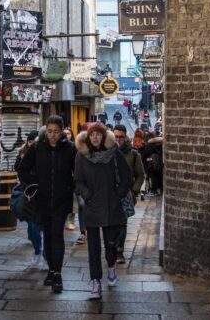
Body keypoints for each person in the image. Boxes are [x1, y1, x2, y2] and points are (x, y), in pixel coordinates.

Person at [16, 115, 76, 294]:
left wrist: (69, 186)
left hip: (61, 200)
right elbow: (22, 169)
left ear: (62, 131)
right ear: (45, 130)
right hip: (41, 200)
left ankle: (57, 274)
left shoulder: (70, 149)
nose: (53, 135)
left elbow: (77, 172)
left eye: (56, 132)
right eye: (50, 131)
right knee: (48, 236)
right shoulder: (37, 147)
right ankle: (51, 269)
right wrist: (35, 183)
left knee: (57, 235)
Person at [73, 123, 131, 300]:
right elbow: (78, 181)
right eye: (92, 135)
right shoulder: (82, 155)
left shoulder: (114, 153)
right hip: (92, 206)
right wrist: (87, 195)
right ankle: (95, 281)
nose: (95, 138)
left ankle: (111, 267)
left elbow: (126, 175)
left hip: (111, 205)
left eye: (98, 134)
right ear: (88, 137)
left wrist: (118, 194)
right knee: (93, 248)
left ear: (104, 136)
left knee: (110, 244)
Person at [112, 125, 145, 263]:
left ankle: (119, 250)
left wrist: (134, 191)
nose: (118, 139)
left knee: (122, 223)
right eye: (116, 136)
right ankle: (111, 247)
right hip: (110, 193)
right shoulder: (107, 151)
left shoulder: (133, 154)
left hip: (126, 194)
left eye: (121, 136)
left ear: (125, 137)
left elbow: (140, 175)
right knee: (111, 223)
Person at [14, 131, 45, 270]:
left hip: (48, 197)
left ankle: (46, 256)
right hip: (32, 195)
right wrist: (32, 183)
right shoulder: (29, 152)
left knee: (46, 229)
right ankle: (38, 250)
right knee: (33, 228)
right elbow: (20, 170)